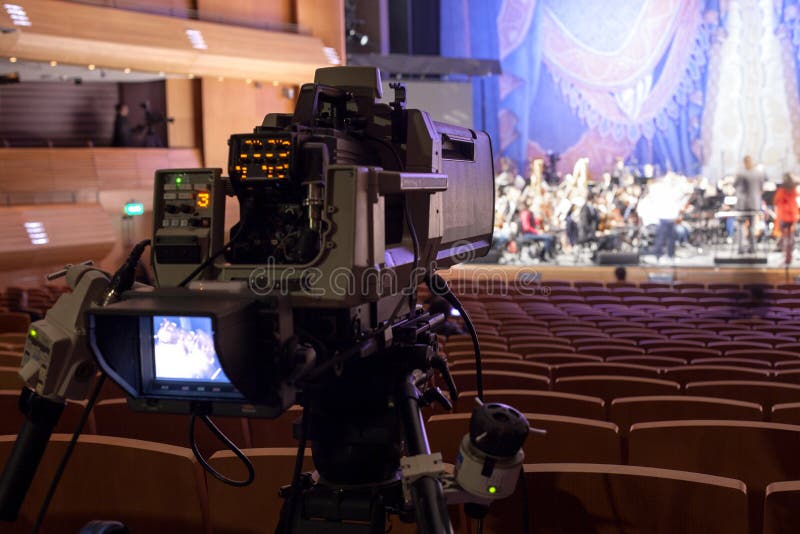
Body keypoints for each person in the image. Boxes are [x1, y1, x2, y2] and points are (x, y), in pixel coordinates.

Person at [733, 155, 766, 254]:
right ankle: (753, 247)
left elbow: (735, 185)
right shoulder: (759, 173)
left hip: (742, 204)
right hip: (754, 203)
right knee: (752, 226)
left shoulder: (741, 172)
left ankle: (741, 248)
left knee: (741, 226)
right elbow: (761, 187)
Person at [773, 173, 798, 265]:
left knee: (785, 236)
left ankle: (786, 256)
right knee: (791, 236)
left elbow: (776, 201)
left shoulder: (781, 191)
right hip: (792, 216)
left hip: (783, 216)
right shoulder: (794, 191)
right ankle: (789, 255)